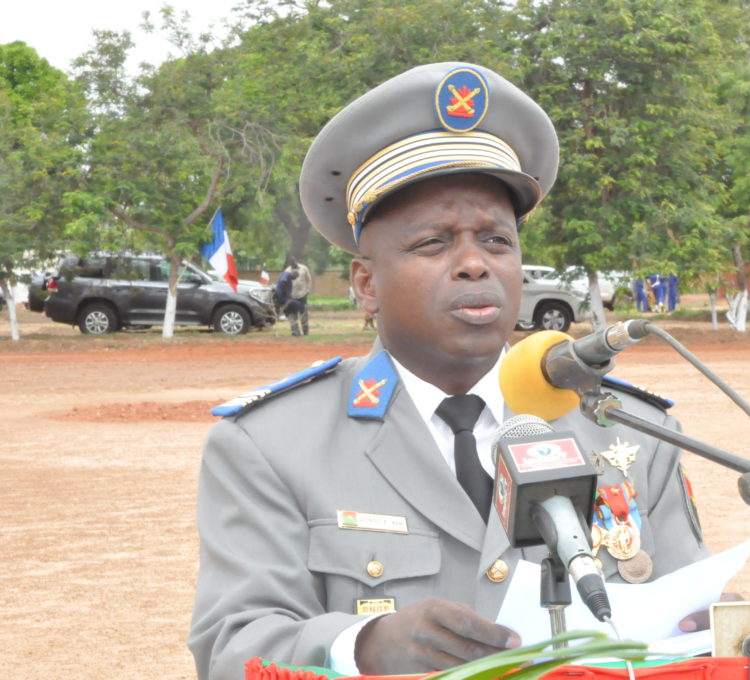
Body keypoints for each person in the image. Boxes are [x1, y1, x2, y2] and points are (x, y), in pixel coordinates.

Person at [189, 62, 712, 680]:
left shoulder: (628, 430)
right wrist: (362, 646)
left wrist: (721, 631)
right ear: (365, 283)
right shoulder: (271, 443)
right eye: (433, 243)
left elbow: (691, 621)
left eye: (496, 241)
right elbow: (231, 647)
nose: (473, 264)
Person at [287, 255, 313, 335]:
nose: (293, 264)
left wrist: (307, 290)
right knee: (293, 314)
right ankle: (295, 332)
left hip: (302, 295)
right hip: (292, 296)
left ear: (296, 261)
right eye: (291, 263)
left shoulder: (304, 268)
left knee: (304, 314)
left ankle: (306, 331)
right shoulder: (287, 271)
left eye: (293, 262)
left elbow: (309, 280)